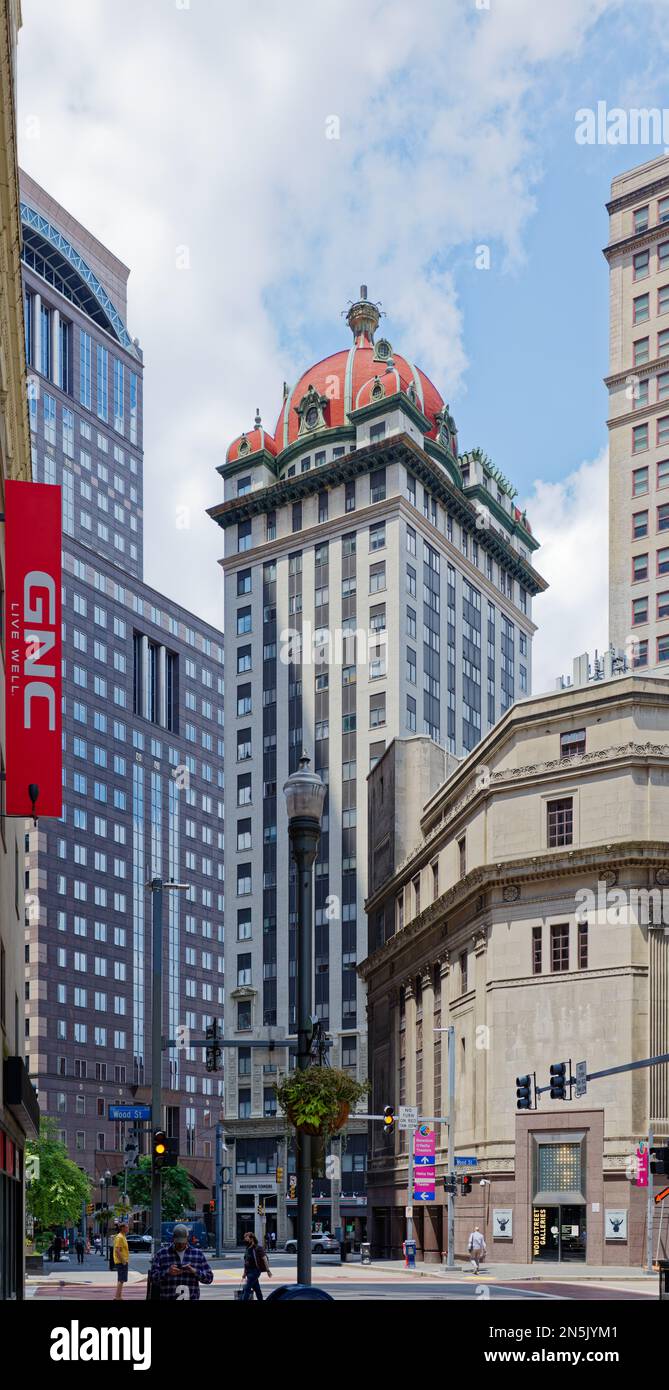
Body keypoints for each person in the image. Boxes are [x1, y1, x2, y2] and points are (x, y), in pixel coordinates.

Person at [149, 1223, 214, 1301]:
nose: (180, 1245)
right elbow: (152, 1278)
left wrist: (194, 1271)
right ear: (173, 1238)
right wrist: (167, 1272)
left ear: (187, 1237)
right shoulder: (162, 1254)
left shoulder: (198, 1254)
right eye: (178, 1242)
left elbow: (209, 1278)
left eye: (183, 1242)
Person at [240, 1231, 271, 1301]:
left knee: (246, 1289)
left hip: (255, 1271)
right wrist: (244, 1273)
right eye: (245, 1238)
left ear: (252, 1239)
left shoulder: (258, 1248)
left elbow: (264, 1259)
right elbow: (246, 1262)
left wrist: (268, 1270)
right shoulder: (247, 1249)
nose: (245, 1240)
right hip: (249, 1272)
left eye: (246, 1238)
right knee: (257, 1289)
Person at [113, 1221, 130, 1300]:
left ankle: (119, 1296)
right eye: (127, 1227)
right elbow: (117, 1250)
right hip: (121, 1261)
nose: (128, 1228)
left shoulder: (123, 1236)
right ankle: (117, 1297)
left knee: (121, 1280)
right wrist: (123, 1260)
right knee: (121, 1279)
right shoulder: (120, 1237)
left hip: (123, 1261)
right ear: (122, 1228)